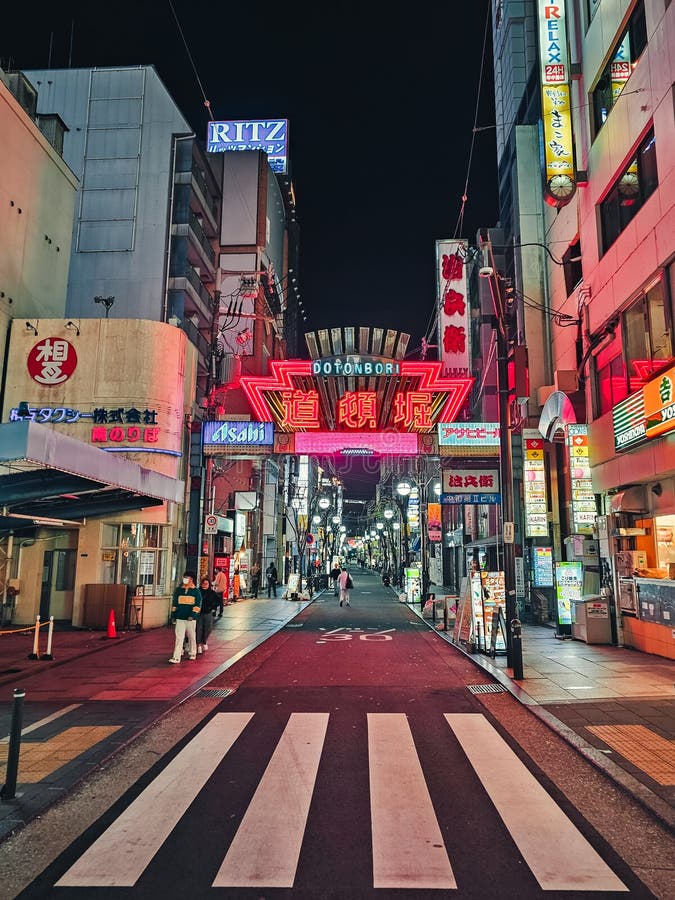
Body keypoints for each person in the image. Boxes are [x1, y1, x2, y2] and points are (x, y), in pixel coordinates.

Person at [169, 571, 202, 663]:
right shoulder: (178, 590)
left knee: (191, 636)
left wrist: (193, 615)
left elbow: (197, 605)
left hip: (190, 619)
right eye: (185, 577)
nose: (185, 579)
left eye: (187, 577)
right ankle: (176, 656)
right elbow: (175, 604)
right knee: (179, 637)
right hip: (180, 617)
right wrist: (173, 615)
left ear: (192, 579)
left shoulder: (196, 591)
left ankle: (193, 653)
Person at [197, 577, 218, 654]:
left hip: (208, 613)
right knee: (198, 629)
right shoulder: (198, 592)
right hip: (199, 613)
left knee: (208, 628)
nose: (205, 585)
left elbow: (218, 601)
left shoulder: (212, 593)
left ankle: (204, 641)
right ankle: (198, 644)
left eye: (206, 584)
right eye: (203, 584)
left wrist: (213, 608)